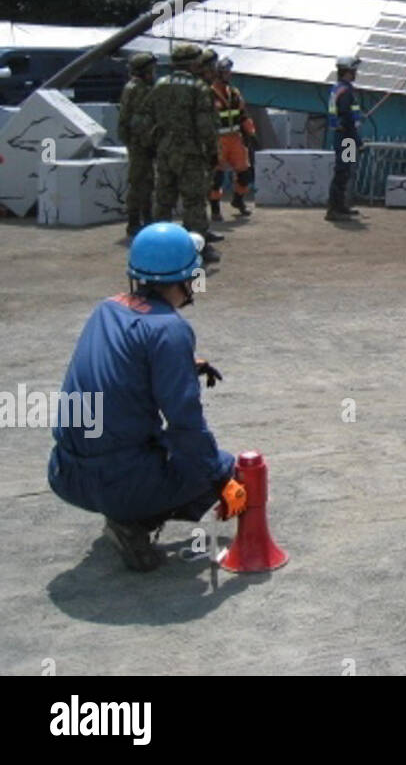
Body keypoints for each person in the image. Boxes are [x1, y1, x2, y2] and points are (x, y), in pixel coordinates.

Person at [47, 222, 241, 572]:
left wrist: (181, 363)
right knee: (223, 469)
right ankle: (133, 521)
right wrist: (222, 476)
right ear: (189, 277)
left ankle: (128, 508)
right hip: (116, 481)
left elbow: (115, 364)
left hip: (65, 471)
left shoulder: (107, 309)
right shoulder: (170, 329)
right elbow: (186, 424)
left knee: (148, 446)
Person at [146, 43, 222, 264]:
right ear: (194, 63)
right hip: (191, 153)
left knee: (163, 199)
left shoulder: (160, 85)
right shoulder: (199, 88)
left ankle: (158, 246)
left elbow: (149, 117)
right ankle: (198, 248)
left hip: (165, 150)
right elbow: (205, 126)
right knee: (194, 201)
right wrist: (212, 151)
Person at [209, 56, 257, 222]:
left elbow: (243, 114)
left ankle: (238, 200)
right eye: (226, 72)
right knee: (217, 177)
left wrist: (250, 132)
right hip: (218, 140)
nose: (229, 75)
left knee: (245, 173)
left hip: (235, 138)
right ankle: (215, 209)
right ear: (218, 74)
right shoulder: (209, 93)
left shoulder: (234, 93)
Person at [118, 51, 158, 237]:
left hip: (144, 141)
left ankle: (147, 219)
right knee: (138, 182)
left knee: (148, 181)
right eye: (151, 69)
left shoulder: (137, 87)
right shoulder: (137, 88)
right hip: (140, 142)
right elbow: (137, 119)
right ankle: (134, 221)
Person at [326, 55, 364, 222]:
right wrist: (358, 141)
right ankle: (333, 210)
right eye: (354, 70)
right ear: (347, 71)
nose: (356, 73)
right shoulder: (346, 91)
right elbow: (347, 118)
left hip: (344, 136)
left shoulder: (338, 88)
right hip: (346, 138)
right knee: (342, 172)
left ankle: (341, 206)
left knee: (345, 172)